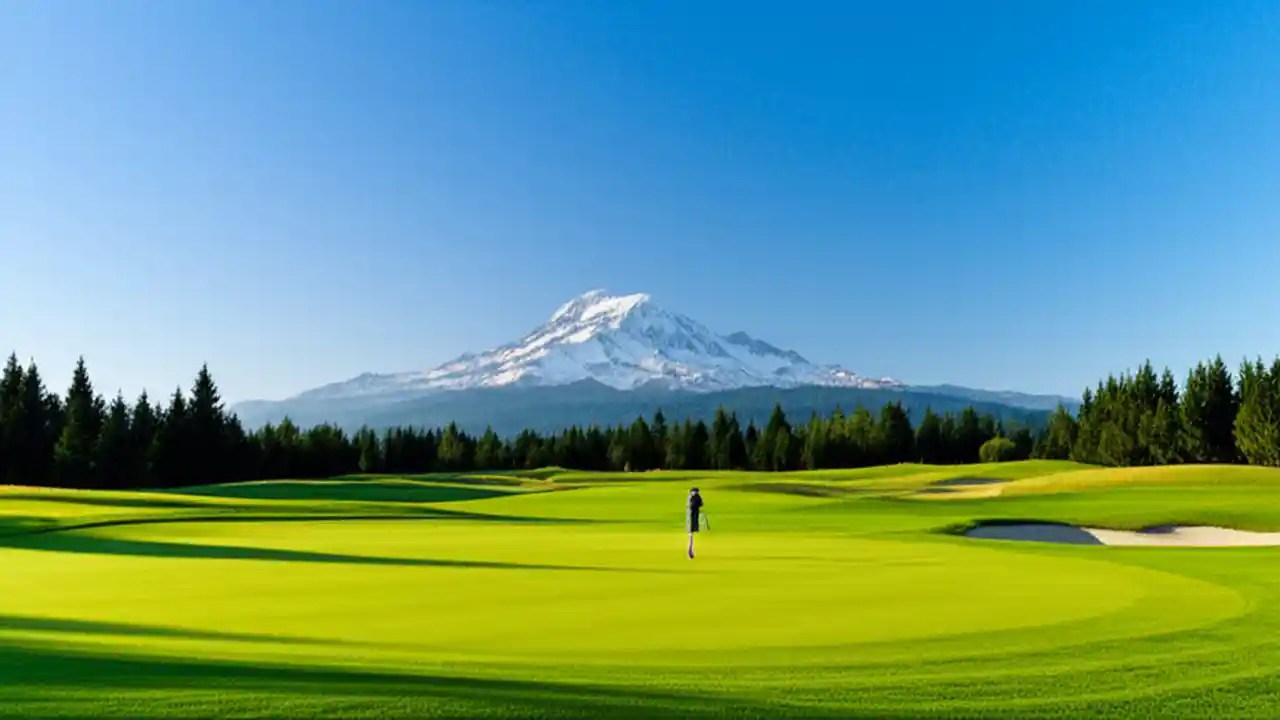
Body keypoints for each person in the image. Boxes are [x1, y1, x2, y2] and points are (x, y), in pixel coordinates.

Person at [686, 487, 704, 558]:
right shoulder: (693, 497)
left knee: (690, 535)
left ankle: (690, 550)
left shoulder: (692, 497)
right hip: (691, 518)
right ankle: (690, 551)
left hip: (691, 518)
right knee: (690, 535)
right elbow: (699, 504)